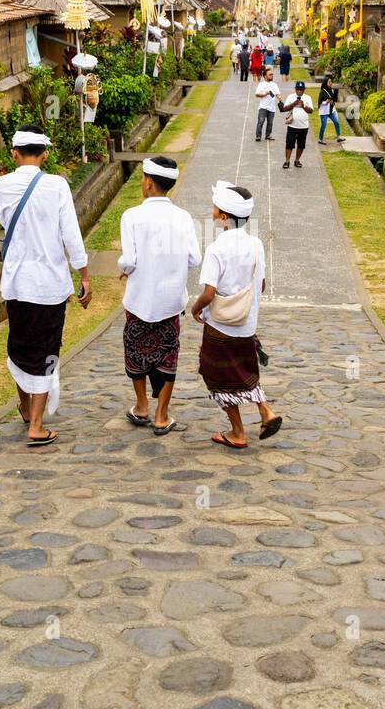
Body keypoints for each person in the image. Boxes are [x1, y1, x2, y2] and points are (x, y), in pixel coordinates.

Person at [0, 124, 91, 447]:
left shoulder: (0, 185)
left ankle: (24, 407)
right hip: (49, 283)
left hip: (18, 282)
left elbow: (4, 222)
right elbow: (70, 234)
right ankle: (36, 423)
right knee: (46, 349)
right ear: (45, 153)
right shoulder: (56, 186)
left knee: (20, 346)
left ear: (14, 154)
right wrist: (84, 275)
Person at [192, 181, 282, 449]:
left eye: (215, 206)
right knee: (244, 371)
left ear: (222, 215)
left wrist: (196, 310)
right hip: (246, 324)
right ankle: (266, 411)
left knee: (217, 376)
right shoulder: (256, 244)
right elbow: (261, 284)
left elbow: (209, 293)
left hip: (221, 325)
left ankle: (237, 432)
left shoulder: (216, 248)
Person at [118, 155, 201, 436]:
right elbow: (194, 258)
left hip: (140, 300)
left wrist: (124, 269)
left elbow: (128, 260)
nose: (142, 183)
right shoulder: (183, 218)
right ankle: (162, 414)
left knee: (136, 351)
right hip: (170, 300)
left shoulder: (131, 216)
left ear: (150, 183)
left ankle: (142, 406)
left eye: (143, 178)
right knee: (168, 354)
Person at [279, 79, 314, 169]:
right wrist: (294, 103)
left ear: (304, 90)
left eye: (301, 89)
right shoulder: (291, 97)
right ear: (295, 89)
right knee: (289, 144)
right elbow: (284, 108)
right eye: (298, 89)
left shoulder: (308, 98)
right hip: (292, 125)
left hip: (303, 126)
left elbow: (311, 111)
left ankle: (297, 160)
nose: (299, 91)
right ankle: (287, 161)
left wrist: (303, 106)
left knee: (301, 145)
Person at [318, 74, 344, 143]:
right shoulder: (322, 91)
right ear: (325, 83)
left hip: (331, 110)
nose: (331, 83)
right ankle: (320, 139)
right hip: (324, 111)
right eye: (329, 82)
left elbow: (333, 98)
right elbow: (319, 102)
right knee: (324, 125)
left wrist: (332, 101)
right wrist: (325, 102)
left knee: (336, 122)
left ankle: (338, 137)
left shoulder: (331, 90)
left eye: (331, 82)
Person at [254, 66, 278, 141]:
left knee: (270, 123)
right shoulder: (261, 84)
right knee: (261, 121)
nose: (272, 76)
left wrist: (279, 98)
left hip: (272, 107)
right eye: (270, 74)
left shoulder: (274, 84)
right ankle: (258, 136)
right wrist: (265, 94)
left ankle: (268, 135)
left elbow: (277, 93)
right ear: (265, 76)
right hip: (263, 107)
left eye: (272, 74)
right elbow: (257, 94)